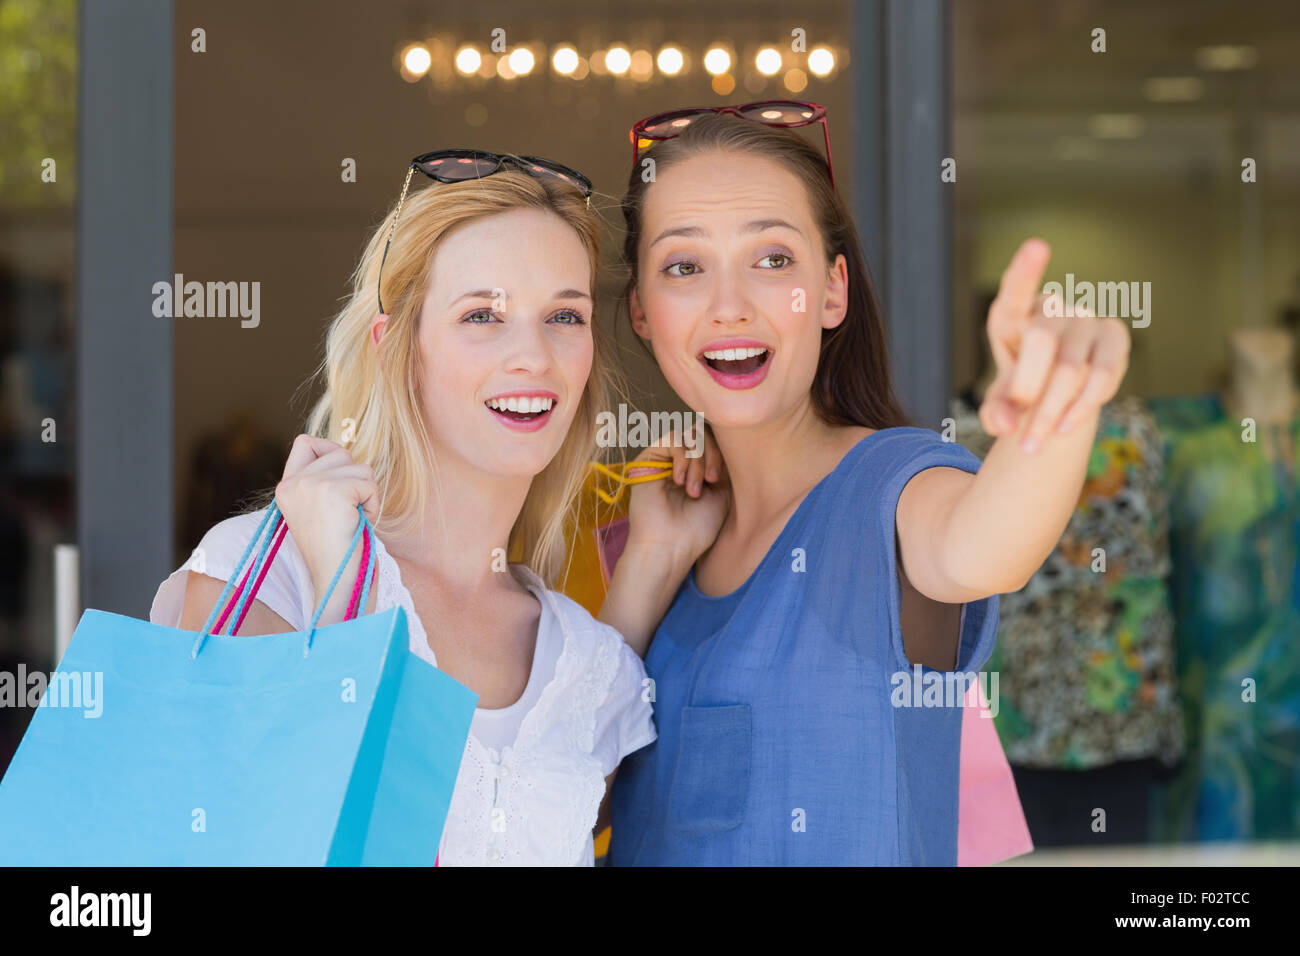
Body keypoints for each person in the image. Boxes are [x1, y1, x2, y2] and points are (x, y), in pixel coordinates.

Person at [599, 109, 1131, 864]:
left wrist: (1056, 412)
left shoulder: (894, 483)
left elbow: (984, 547)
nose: (730, 305)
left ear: (832, 292)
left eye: (773, 259)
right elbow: (570, 791)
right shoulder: (656, 529)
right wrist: (652, 560)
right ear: (643, 314)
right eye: (685, 266)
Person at [150, 151, 656, 866]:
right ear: (397, 350)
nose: (533, 356)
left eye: (564, 316)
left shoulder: (589, 665)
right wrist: (343, 591)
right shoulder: (262, 576)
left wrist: (658, 557)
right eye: (482, 314)